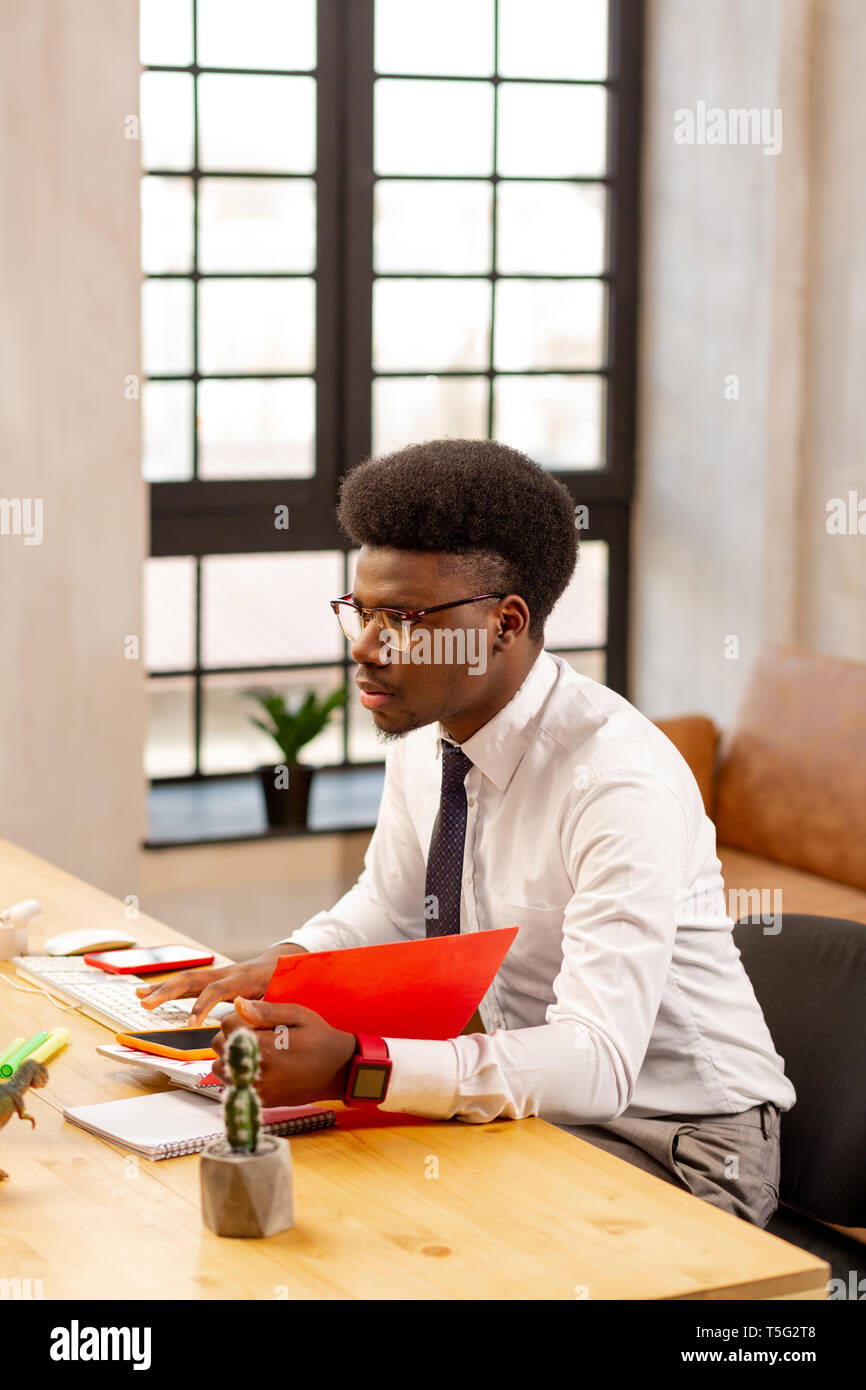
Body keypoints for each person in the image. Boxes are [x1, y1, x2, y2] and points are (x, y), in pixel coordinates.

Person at [138, 438, 794, 1227]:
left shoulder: (617, 781)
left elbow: (597, 1061)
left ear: (503, 623)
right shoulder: (430, 735)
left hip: (681, 1145)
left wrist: (361, 1066)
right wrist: (286, 966)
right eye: (363, 611)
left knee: (406, 1230)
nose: (365, 648)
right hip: (548, 1117)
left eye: (404, 619)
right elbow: (388, 907)